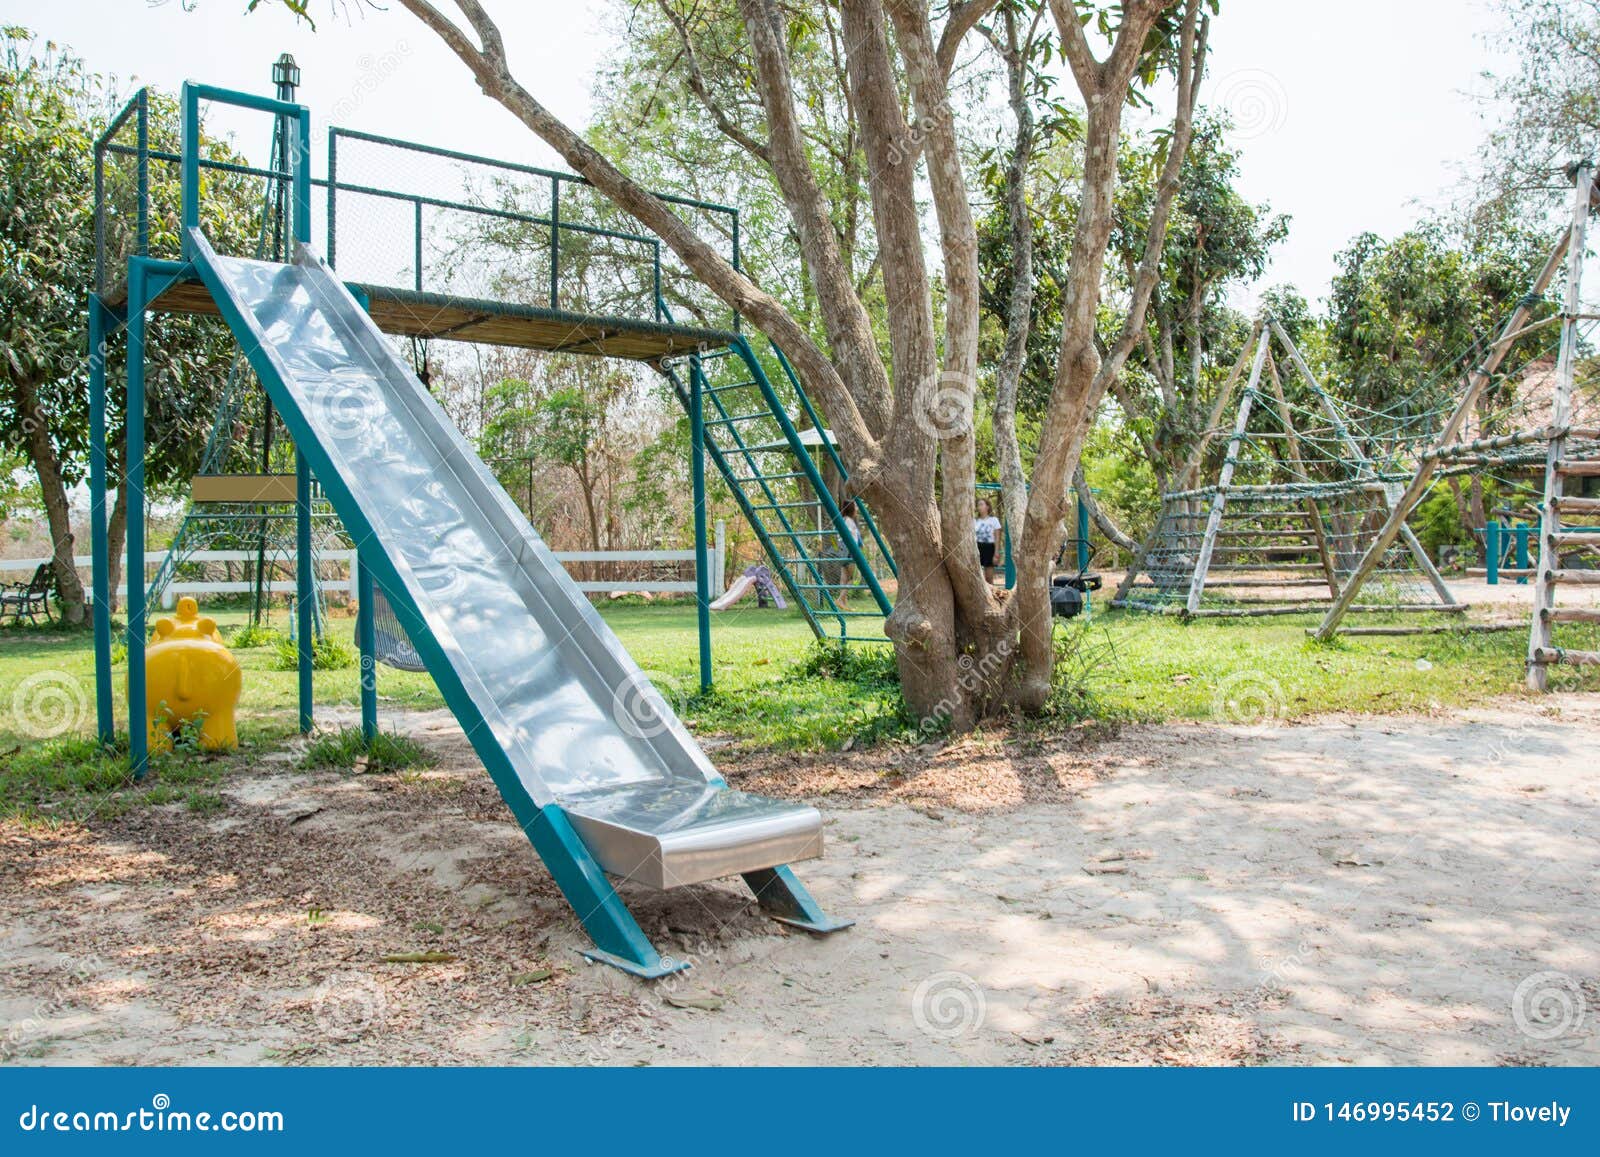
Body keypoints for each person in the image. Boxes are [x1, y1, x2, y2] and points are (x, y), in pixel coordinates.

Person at [975, 498, 1003, 585]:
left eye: (981, 504)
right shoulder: (974, 521)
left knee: (989, 578)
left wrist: (996, 553)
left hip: (989, 548)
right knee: (977, 577)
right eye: (978, 505)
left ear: (987, 507)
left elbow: (997, 538)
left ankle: (991, 597)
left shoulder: (994, 520)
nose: (979, 507)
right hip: (977, 547)